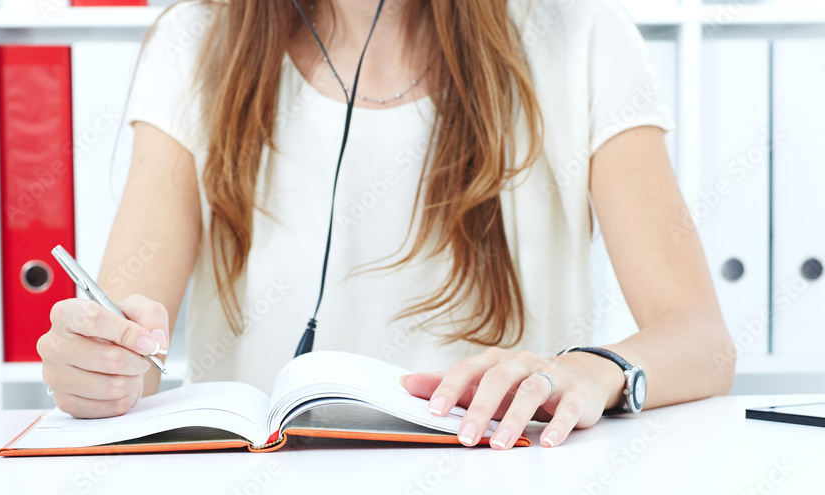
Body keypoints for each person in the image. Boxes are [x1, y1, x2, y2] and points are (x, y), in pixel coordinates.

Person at [38, 0, 736, 449]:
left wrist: (590, 372)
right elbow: (128, 347)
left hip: (504, 472)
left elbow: (702, 340)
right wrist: (99, 367)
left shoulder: (581, 34)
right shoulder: (194, 40)